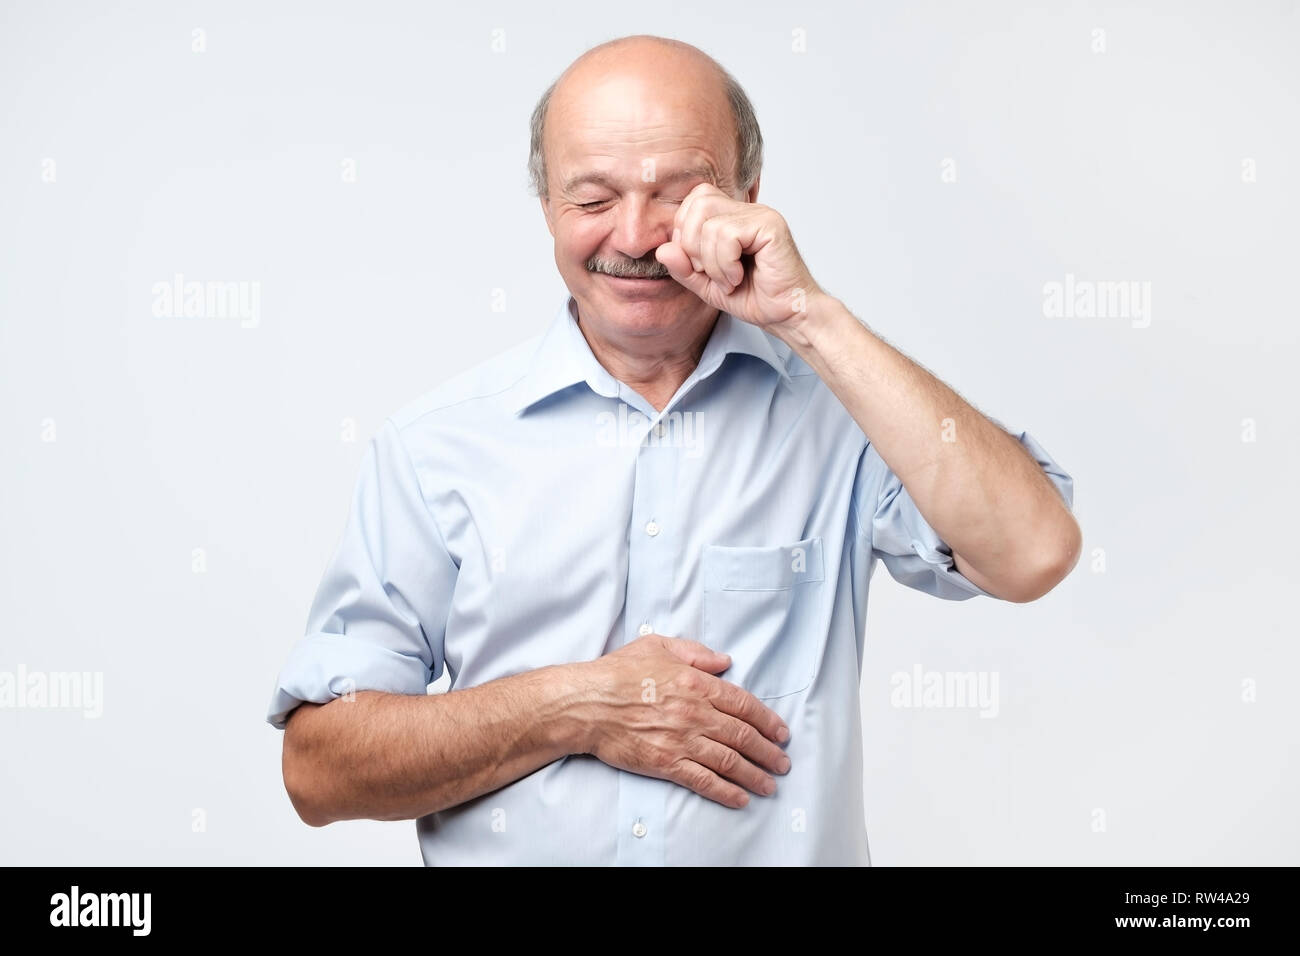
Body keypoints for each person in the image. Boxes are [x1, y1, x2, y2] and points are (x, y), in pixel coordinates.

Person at [265, 34, 1080, 865]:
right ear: (546, 206)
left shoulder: (847, 414)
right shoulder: (434, 447)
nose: (636, 233)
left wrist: (808, 316)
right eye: (592, 199)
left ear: (748, 196)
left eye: (679, 195)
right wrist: (576, 704)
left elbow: (1034, 552)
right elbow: (320, 770)